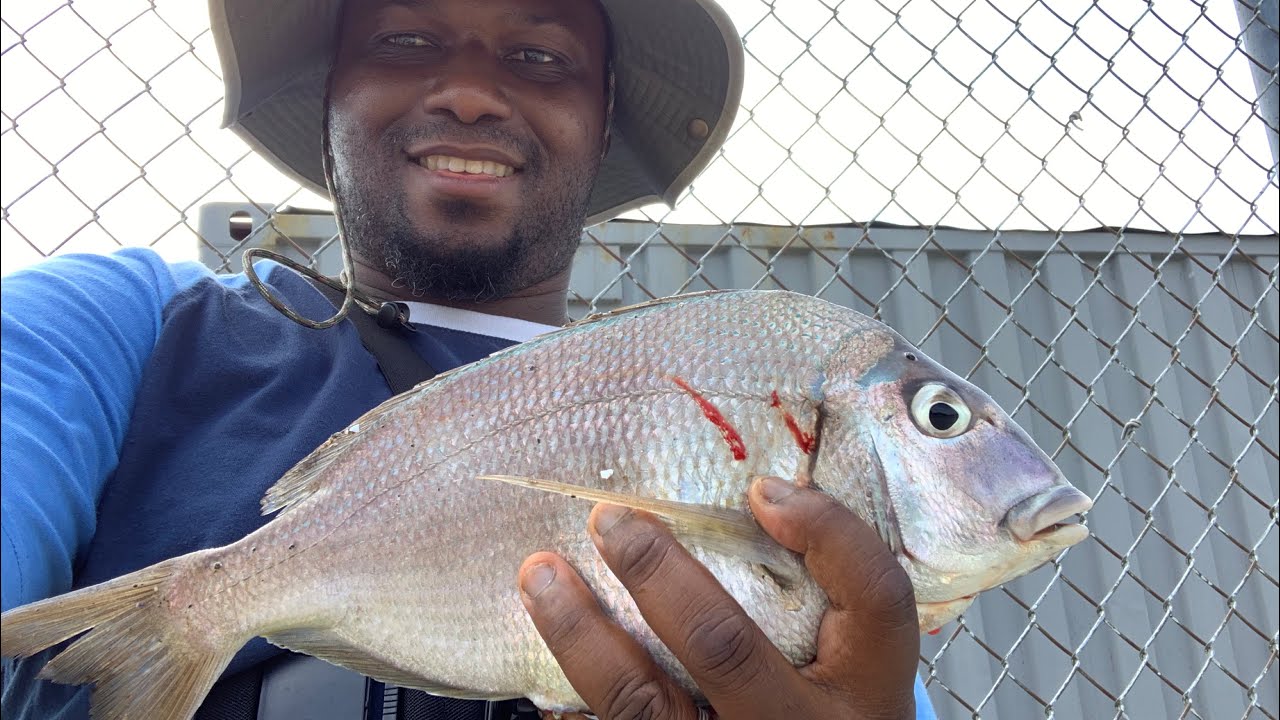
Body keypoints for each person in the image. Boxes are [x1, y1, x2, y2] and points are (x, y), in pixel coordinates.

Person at [0, 0, 938, 717]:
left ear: (603, 116)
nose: (470, 93)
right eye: (405, 39)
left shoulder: (843, 547)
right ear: (332, 84)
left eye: (539, 56)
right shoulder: (115, 324)